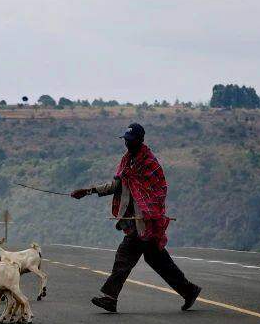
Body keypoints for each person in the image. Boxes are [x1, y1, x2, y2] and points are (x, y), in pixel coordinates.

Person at [71, 122, 201, 313]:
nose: (127, 143)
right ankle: (189, 290)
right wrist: (88, 191)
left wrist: (149, 212)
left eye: (131, 140)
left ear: (140, 140)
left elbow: (159, 190)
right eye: (126, 140)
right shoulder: (127, 161)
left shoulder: (149, 163)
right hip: (134, 221)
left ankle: (110, 298)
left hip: (145, 222)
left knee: (124, 257)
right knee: (158, 261)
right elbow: (116, 185)